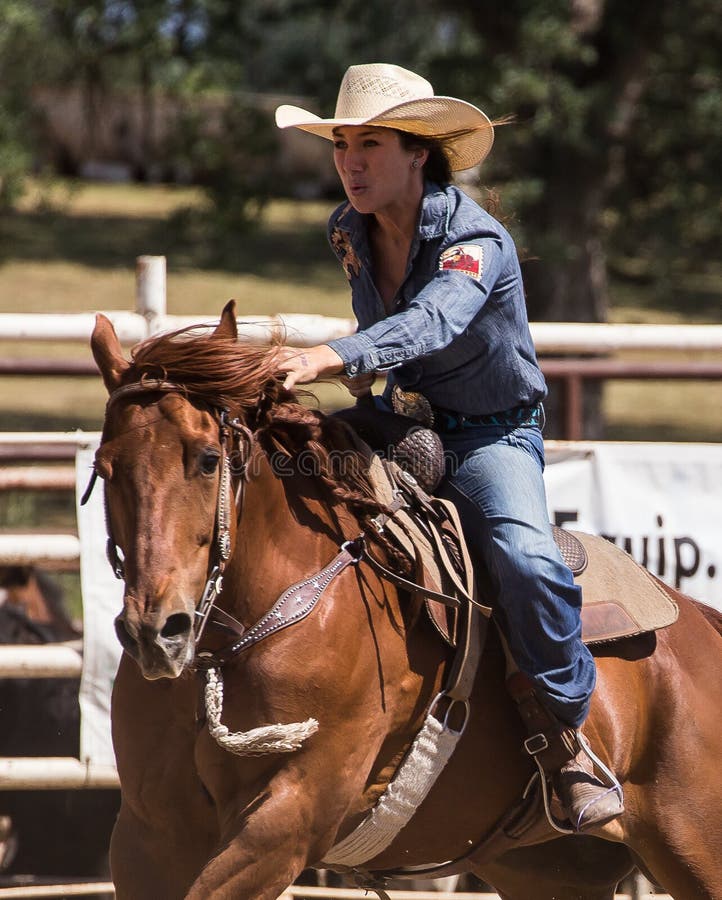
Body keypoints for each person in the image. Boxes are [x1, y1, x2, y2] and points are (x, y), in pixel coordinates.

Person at [274, 63, 623, 831]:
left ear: (418, 154)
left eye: (371, 143)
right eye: (342, 146)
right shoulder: (347, 230)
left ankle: (571, 736)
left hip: (493, 435)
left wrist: (331, 357)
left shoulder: (477, 241)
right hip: (403, 421)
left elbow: (433, 323)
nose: (351, 162)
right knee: (280, 475)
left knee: (527, 559)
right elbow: (392, 343)